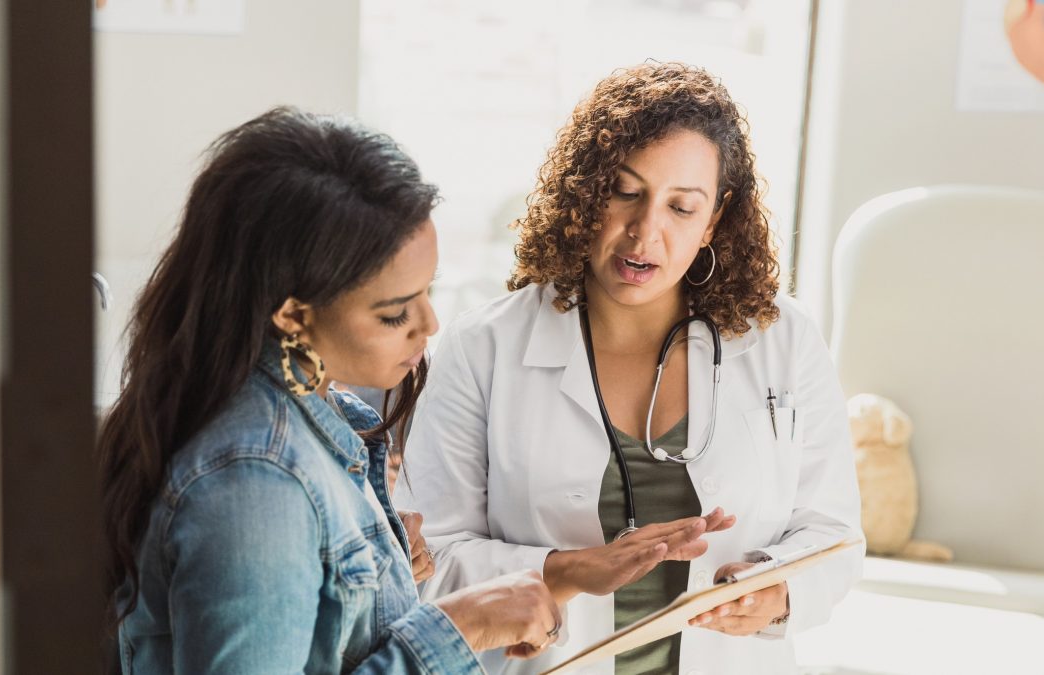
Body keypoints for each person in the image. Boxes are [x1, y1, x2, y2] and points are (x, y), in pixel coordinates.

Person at [395, 63, 863, 674]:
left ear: (715, 219)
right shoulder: (483, 346)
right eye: (625, 192)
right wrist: (565, 570)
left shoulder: (784, 339)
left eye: (681, 207)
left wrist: (774, 592)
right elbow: (426, 560)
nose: (646, 232)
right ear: (586, 191)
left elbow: (832, 533)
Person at [97, 107, 562, 674]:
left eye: (426, 290)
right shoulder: (256, 480)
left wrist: (381, 582)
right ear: (293, 314)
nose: (429, 324)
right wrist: (459, 629)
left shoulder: (311, 414)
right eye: (394, 314)